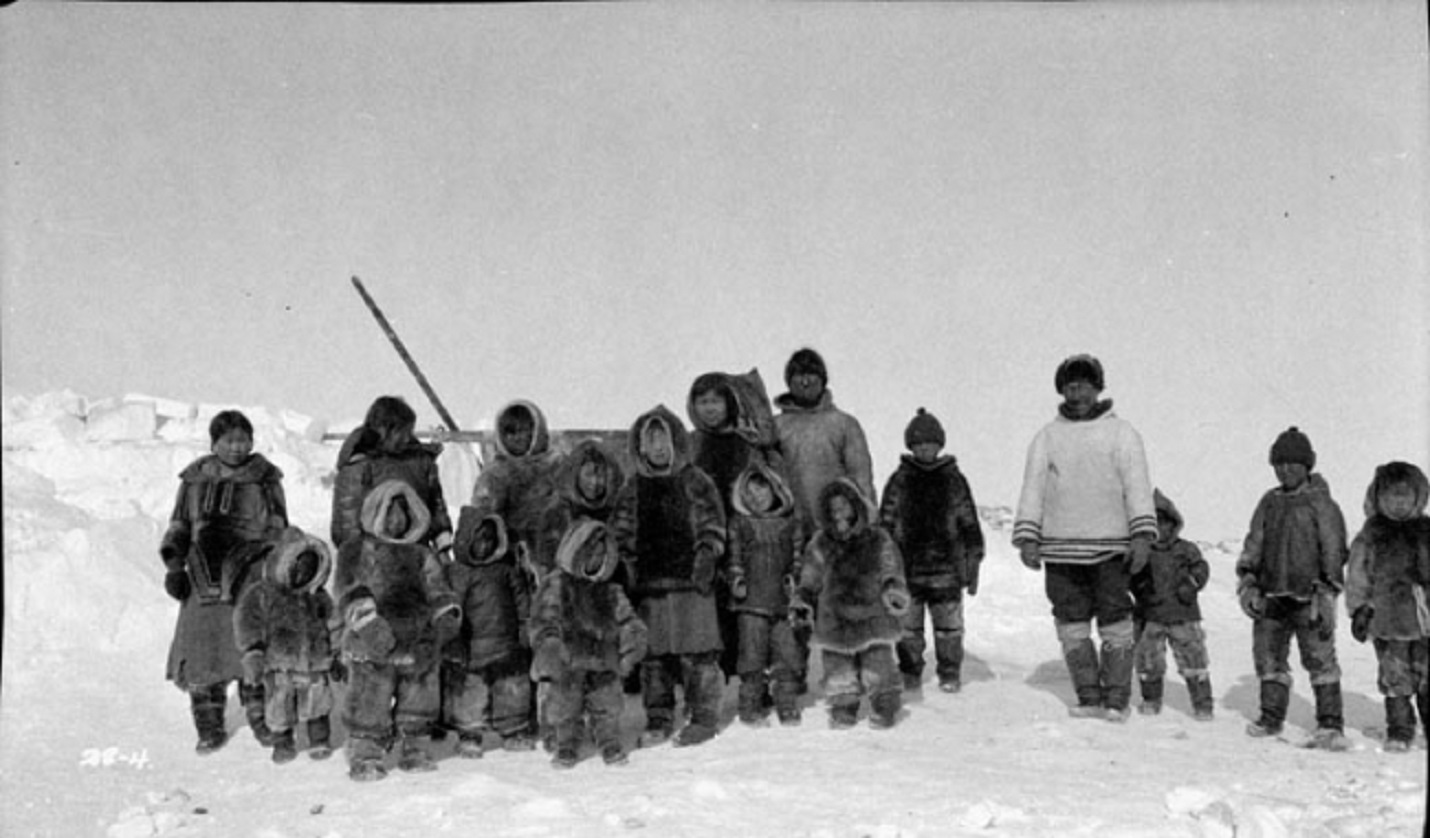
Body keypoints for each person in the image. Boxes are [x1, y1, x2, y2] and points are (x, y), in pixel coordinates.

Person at [1013, 354, 1157, 722]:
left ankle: (1117, 697)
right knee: (1070, 622)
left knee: (1115, 620)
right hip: (1061, 548)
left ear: (1098, 389)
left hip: (1111, 546)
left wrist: (1141, 535)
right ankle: (1088, 694)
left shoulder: (1122, 433)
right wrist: (1029, 537)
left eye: (1084, 385)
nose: (1077, 393)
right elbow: (1033, 488)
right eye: (1070, 386)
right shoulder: (1047, 437)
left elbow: (1137, 486)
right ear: (1062, 390)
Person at [161, 409, 288, 754]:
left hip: (251, 574)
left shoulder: (264, 478)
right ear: (214, 442)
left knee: (253, 646)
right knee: (203, 652)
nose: (236, 447)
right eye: (228, 440)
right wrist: (174, 566)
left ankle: (263, 721)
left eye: (243, 439)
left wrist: (278, 570)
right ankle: (209, 726)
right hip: (202, 576)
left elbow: (279, 527)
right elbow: (180, 525)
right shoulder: (194, 479)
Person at [612, 405, 727, 748]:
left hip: (692, 585)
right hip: (650, 586)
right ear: (640, 446)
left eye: (664, 438)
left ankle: (703, 715)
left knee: (699, 654)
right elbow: (621, 534)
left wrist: (708, 553)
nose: (659, 447)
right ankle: (659, 715)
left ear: (677, 441)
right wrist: (625, 571)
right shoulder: (632, 487)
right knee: (654, 658)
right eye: (651, 440)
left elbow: (713, 522)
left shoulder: (696, 480)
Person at [334, 479, 462, 780]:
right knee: (369, 699)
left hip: (416, 640)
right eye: (389, 512)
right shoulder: (357, 549)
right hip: (372, 640)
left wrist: (446, 615)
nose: (396, 520)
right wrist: (367, 623)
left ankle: (413, 745)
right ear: (374, 512)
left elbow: (437, 587)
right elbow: (348, 588)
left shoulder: (421, 554)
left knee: (419, 697)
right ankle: (365, 752)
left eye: (403, 513)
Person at [1236, 426, 1350, 749]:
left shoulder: (1322, 504)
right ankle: (1271, 715)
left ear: (1307, 466)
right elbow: (1254, 542)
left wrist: (1328, 589)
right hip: (1271, 594)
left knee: (1319, 658)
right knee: (1268, 656)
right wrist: (1248, 581)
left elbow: (1334, 548)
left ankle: (1330, 723)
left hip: (1309, 596)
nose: (1286, 470)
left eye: (1293, 464)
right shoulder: (1269, 503)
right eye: (1280, 464)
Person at [774, 348, 875, 694]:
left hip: (837, 531)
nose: (805, 380)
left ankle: (849, 672)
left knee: (842, 605)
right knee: (794, 603)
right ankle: (793, 673)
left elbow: (861, 476)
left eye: (812, 375)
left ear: (823, 381)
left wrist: (865, 525)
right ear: (788, 381)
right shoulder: (777, 426)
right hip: (790, 530)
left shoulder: (843, 424)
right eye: (798, 375)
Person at [878, 408, 985, 694]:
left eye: (930, 443)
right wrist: (883, 562)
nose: (925, 449)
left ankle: (949, 670)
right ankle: (911, 670)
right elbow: (885, 524)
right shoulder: (899, 481)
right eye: (919, 444)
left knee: (949, 626)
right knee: (908, 628)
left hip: (947, 570)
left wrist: (974, 553)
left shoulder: (953, 479)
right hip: (907, 570)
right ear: (911, 447)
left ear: (940, 445)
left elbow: (968, 520)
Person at [792, 478, 910, 729]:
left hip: (872, 611)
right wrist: (804, 596)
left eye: (843, 507)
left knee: (877, 662)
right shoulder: (821, 542)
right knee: (838, 667)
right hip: (834, 614)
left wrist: (893, 586)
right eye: (832, 510)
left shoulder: (877, 538)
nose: (839, 515)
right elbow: (811, 573)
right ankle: (843, 705)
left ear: (856, 506)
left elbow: (890, 564)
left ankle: (885, 703)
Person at [530, 519, 648, 768]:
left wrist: (633, 637)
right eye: (590, 551)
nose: (596, 557)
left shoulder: (610, 589)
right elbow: (544, 617)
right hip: (568, 660)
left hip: (604, 657)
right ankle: (566, 743)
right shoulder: (557, 584)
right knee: (565, 704)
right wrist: (550, 644)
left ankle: (608, 739)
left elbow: (627, 617)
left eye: (601, 553)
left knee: (607, 702)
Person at [688, 370, 781, 678]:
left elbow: (764, 486)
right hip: (703, 534)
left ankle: (749, 667)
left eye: (716, 400)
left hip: (743, 532)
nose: (710, 408)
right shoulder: (690, 444)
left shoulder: (747, 443)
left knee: (744, 601)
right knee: (708, 601)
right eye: (703, 401)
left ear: (729, 403)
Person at [233, 527, 340, 763]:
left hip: (314, 662)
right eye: (299, 566)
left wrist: (337, 651)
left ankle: (319, 739)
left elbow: (334, 622)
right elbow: (248, 622)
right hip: (279, 664)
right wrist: (253, 652)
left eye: (311, 567)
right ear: (284, 563)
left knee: (318, 702)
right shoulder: (262, 594)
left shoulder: (318, 596)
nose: (304, 573)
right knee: (279, 705)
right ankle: (283, 742)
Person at [1344, 461, 1430, 753]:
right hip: (1388, 619)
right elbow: (1357, 574)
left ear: (1418, 497)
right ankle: (1400, 729)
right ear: (1379, 497)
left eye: (1405, 495)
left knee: (1426, 674)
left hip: (1424, 620)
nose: (1399, 502)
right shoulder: (1372, 533)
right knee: (1395, 677)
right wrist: (1359, 609)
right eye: (1392, 495)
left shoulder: (1426, 531)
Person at [441, 510, 535, 758]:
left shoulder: (505, 570)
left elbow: (521, 600)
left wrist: (525, 626)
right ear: (466, 540)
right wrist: (452, 637)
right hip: (472, 647)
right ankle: (469, 733)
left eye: (490, 539)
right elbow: (451, 606)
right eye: (479, 538)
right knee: (471, 692)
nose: (485, 545)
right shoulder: (458, 572)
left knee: (511, 689)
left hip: (506, 644)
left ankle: (513, 729)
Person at [726, 462, 804, 725]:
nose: (757, 498)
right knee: (752, 659)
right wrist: (736, 578)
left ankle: (787, 702)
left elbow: (797, 557)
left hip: (782, 602)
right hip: (750, 605)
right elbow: (733, 556)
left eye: (762, 492)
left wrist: (795, 578)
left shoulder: (789, 524)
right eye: (751, 494)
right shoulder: (740, 524)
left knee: (787, 655)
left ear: (775, 491)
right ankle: (750, 705)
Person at [1129, 490, 1214, 720]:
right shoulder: (1140, 552)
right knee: (1148, 660)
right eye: (1153, 523)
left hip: (1183, 614)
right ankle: (1151, 699)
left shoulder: (1186, 549)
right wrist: (1139, 587)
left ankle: (1202, 704)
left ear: (1173, 523)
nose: (1159, 529)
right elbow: (1128, 574)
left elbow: (1201, 568)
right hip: (1149, 615)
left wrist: (1192, 583)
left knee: (1193, 659)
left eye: (1164, 522)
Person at [331, 395, 453, 555]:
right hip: (374, 563)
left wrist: (442, 541)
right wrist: (359, 560)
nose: (407, 438)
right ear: (382, 430)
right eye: (401, 432)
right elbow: (346, 527)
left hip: (418, 560)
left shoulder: (419, 462)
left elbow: (435, 505)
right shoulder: (358, 467)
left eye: (410, 431)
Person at [469, 399, 565, 582]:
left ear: (537, 431)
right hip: (512, 559)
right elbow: (481, 518)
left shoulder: (559, 467)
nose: (516, 437)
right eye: (509, 432)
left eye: (522, 430)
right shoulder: (495, 475)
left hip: (556, 554)